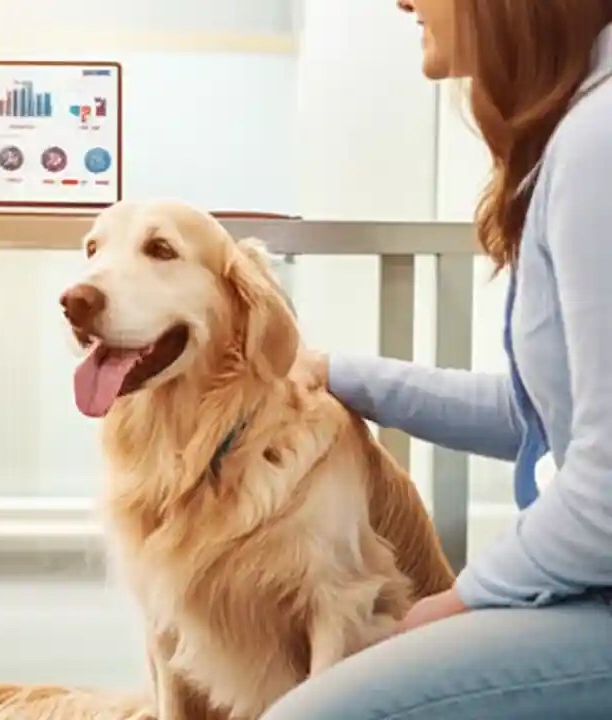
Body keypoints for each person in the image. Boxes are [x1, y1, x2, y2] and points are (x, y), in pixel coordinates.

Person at [264, 0, 612, 718]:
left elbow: (607, 489)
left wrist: (459, 599)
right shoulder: (582, 131)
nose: (402, 1)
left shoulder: (599, 143)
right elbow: (542, 421)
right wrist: (339, 373)